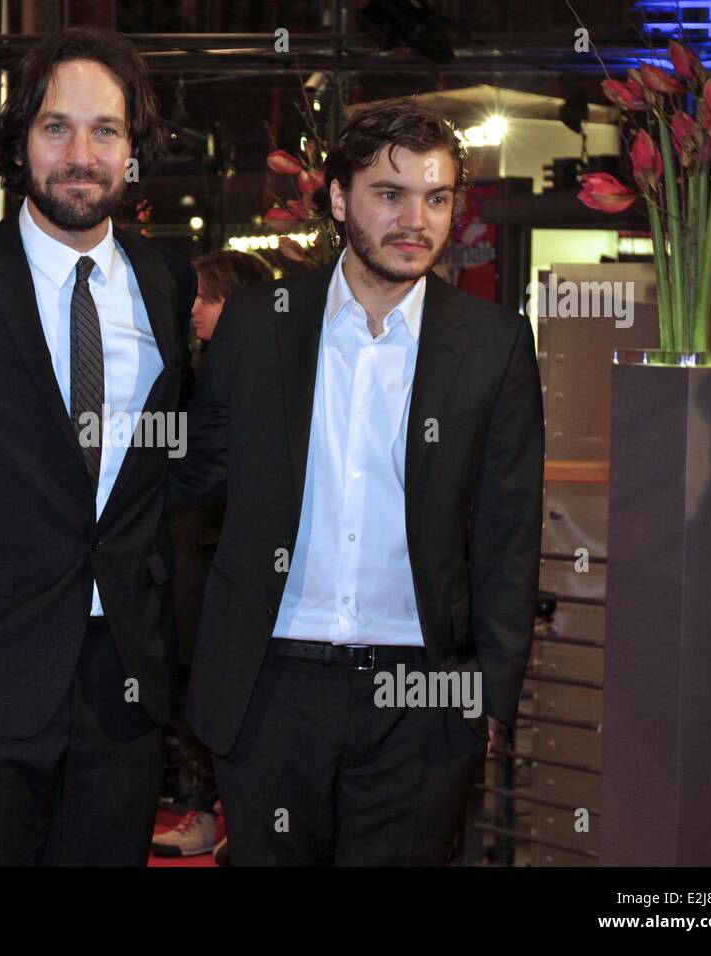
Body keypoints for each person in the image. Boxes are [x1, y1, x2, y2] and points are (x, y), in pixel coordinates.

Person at [170, 99, 545, 865]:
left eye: (437, 198)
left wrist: (485, 695)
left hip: (421, 693)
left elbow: (510, 527)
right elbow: (194, 472)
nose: (417, 220)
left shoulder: (493, 343)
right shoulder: (257, 321)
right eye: (391, 194)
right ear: (339, 199)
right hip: (270, 679)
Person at [0, 26, 195, 866]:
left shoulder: (167, 282)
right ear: (20, 140)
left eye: (106, 131)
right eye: (55, 127)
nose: (80, 154)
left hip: (124, 684)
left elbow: (162, 473)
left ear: (134, 150)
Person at [155, 250, 271, 860]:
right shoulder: (200, 367)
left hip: (215, 567)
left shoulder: (250, 375)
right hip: (190, 560)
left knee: (211, 694)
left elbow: (206, 469)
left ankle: (226, 817)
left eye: (207, 297)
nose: (194, 308)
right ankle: (213, 813)